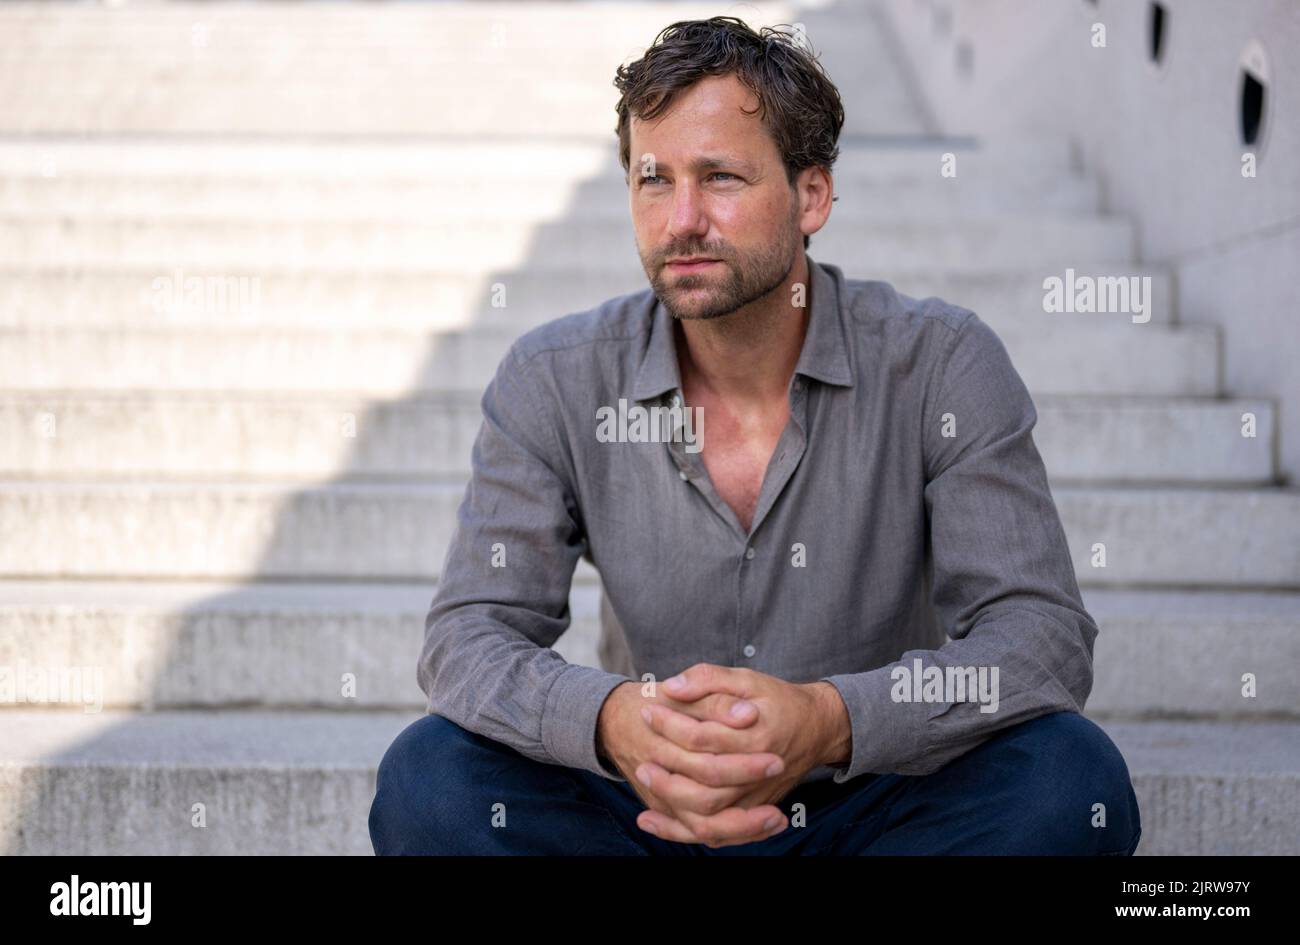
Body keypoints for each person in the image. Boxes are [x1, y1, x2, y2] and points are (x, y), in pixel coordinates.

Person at [369, 16, 1141, 855]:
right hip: (644, 807)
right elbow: (468, 633)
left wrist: (829, 719)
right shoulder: (553, 377)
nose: (682, 219)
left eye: (722, 177)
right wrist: (616, 721)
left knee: (1069, 780)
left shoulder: (941, 364)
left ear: (812, 194)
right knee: (429, 779)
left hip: (869, 805)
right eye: (653, 179)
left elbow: (1039, 637)